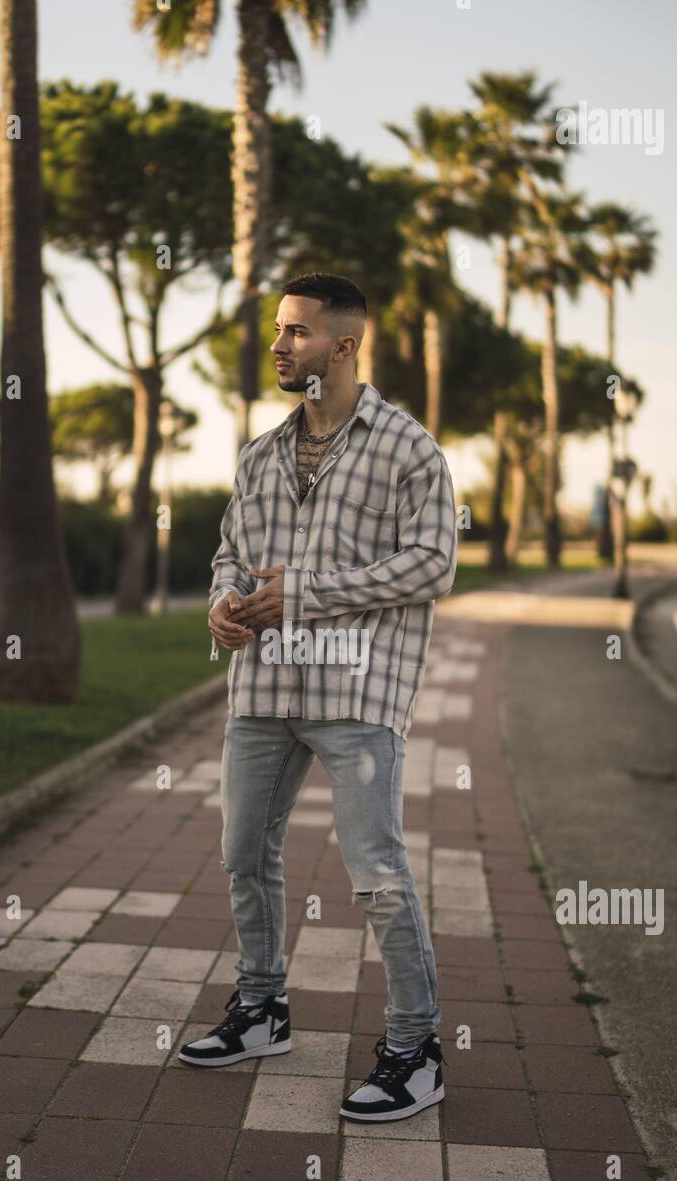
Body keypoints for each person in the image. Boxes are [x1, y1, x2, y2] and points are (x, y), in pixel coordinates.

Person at [178, 272, 458, 1123]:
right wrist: (223, 606)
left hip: (356, 691)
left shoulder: (411, 450)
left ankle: (417, 1050)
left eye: (296, 331)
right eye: (276, 328)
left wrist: (305, 594)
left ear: (343, 345)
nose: (278, 343)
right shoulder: (260, 454)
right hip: (261, 688)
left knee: (375, 871)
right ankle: (261, 1009)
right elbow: (232, 553)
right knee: (241, 856)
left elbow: (431, 564)